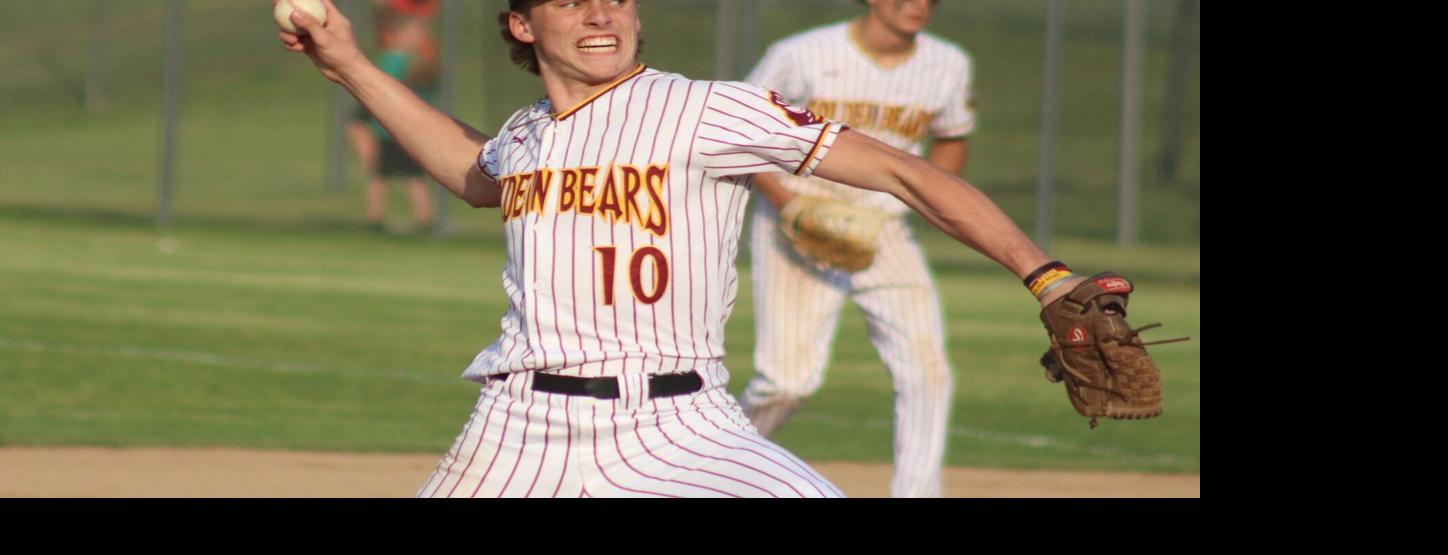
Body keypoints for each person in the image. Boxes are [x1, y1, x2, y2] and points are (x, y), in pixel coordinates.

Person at [278, 0, 1100, 498]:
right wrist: (349, 63)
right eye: (570, 3)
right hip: (518, 423)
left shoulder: (708, 110)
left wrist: (1046, 275)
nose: (601, 14)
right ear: (523, 25)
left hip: (679, 421)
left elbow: (899, 171)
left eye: (615, 1)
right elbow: (472, 169)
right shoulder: (526, 135)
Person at [739, 0, 970, 499]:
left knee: (927, 369)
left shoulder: (948, 63)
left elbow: (952, 138)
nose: (918, 6)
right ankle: (713, 468)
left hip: (884, 223)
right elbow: (745, 135)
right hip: (799, 219)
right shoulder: (801, 55)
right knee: (787, 383)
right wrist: (788, 205)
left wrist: (926, 197)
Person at [343, 0, 440, 232]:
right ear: (395, 36)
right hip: (392, 132)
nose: (418, 38)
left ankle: (423, 220)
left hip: (408, 132)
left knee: (412, 177)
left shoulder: (414, 60)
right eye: (413, 34)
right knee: (381, 176)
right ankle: (377, 218)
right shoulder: (394, 60)